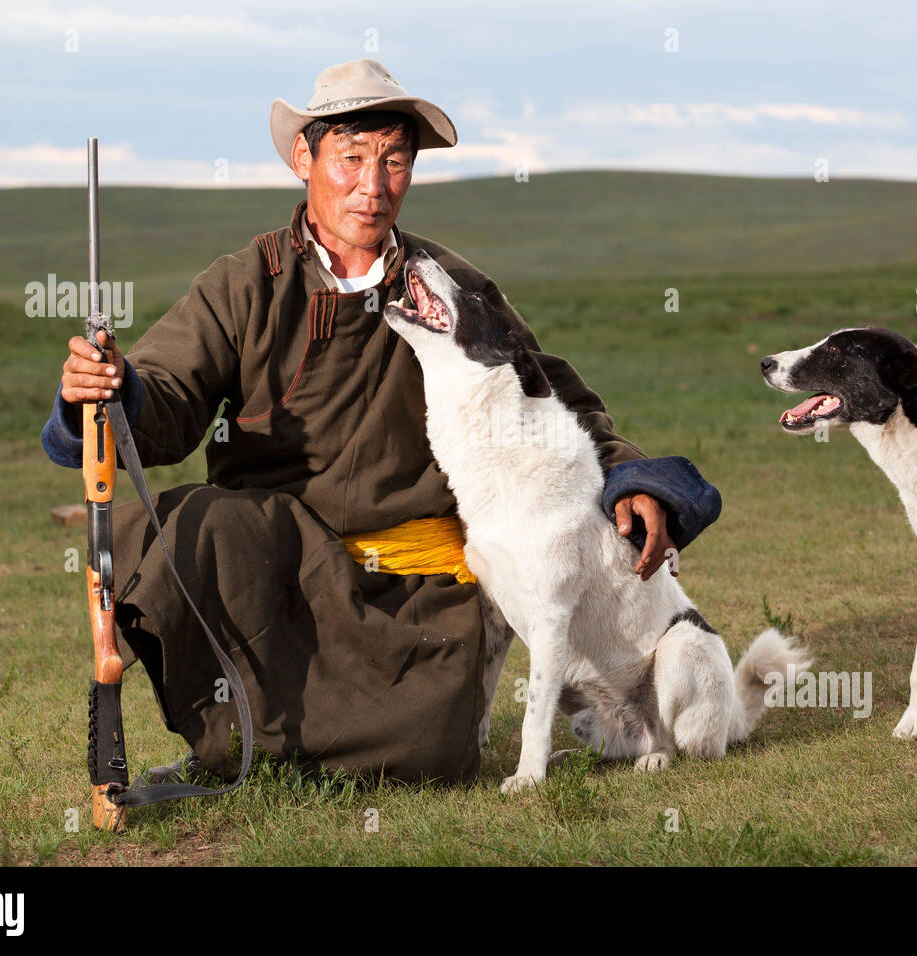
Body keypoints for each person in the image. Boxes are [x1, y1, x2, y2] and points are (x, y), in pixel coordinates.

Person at [41, 58, 718, 785]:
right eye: (352, 157)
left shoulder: (451, 292)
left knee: (431, 748)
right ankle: (232, 747)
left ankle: (285, 753)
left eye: (395, 160)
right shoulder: (243, 286)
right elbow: (164, 397)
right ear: (305, 157)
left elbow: (560, 403)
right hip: (276, 575)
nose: (373, 185)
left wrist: (633, 480)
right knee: (186, 527)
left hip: (412, 588)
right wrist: (107, 393)